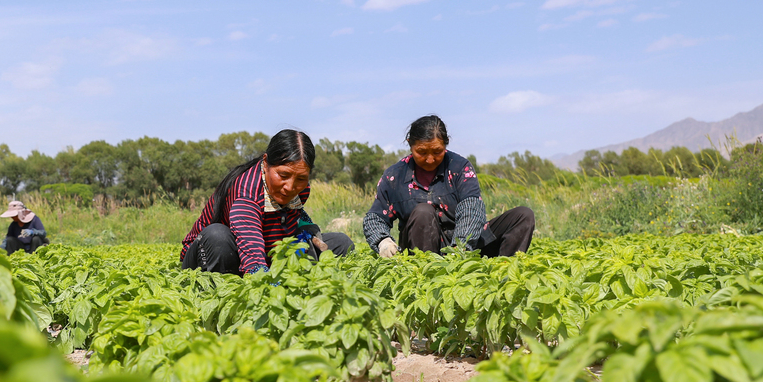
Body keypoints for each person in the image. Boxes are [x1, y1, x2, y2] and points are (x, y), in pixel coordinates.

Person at [181, 129, 354, 275]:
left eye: (301, 178)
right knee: (217, 236)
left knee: (341, 244)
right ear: (265, 163)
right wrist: (266, 289)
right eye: (283, 175)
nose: (290, 187)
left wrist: (306, 228)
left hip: (268, 252)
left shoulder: (301, 189)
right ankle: (219, 300)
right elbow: (253, 255)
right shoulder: (246, 194)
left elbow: (295, 216)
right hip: (213, 257)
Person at [363, 115, 534, 258]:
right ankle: (426, 278)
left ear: (446, 144)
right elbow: (376, 217)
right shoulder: (395, 176)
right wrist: (382, 241)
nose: (430, 159)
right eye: (421, 152)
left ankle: (503, 273)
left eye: (437, 151)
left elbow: (471, 208)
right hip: (420, 248)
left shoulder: (460, 168)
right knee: (423, 212)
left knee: (523, 216)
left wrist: (459, 249)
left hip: (463, 246)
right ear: (410, 144)